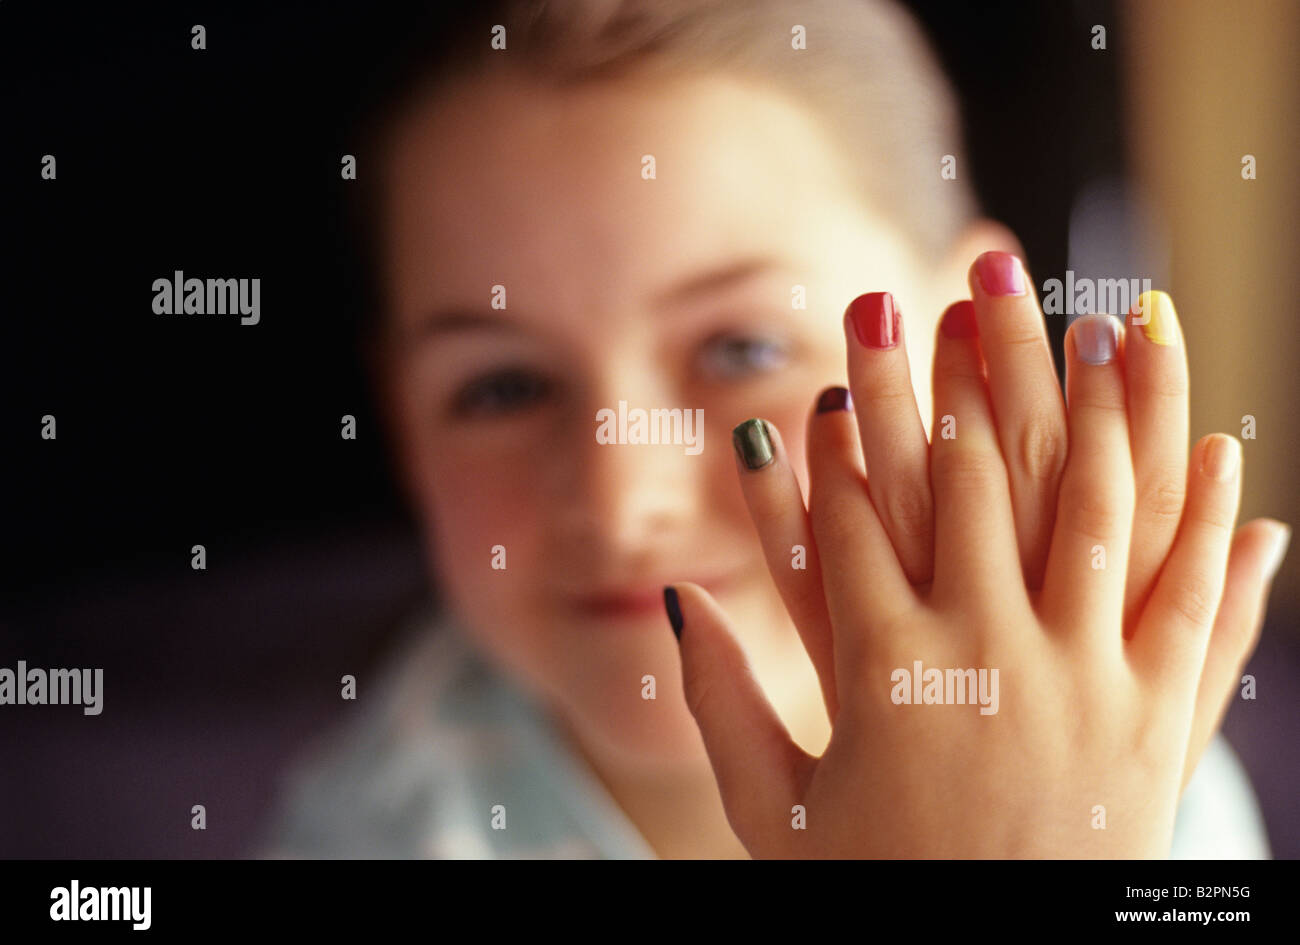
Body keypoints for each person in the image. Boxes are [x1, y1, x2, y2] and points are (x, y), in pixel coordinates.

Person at [260, 0, 1285, 858]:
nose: (626, 500)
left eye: (742, 349)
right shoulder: (373, 832)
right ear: (399, 417)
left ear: (959, 344)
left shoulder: (1126, 786)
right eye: (502, 387)